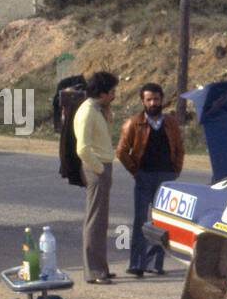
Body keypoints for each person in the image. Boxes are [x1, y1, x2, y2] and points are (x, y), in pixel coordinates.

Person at [116, 83, 185, 277]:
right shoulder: (134, 123)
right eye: (149, 100)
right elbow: (121, 151)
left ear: (162, 100)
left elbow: (180, 149)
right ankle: (137, 264)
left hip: (166, 177)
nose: (153, 103)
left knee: (161, 221)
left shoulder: (170, 123)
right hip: (144, 176)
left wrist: (175, 171)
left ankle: (155, 263)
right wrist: (135, 171)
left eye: (156, 99)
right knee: (141, 219)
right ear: (143, 102)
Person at [74, 71, 119, 285]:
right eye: (112, 92)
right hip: (96, 167)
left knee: (101, 221)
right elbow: (82, 148)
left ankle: (101, 267)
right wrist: (100, 169)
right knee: (95, 220)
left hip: (102, 165)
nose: (114, 95)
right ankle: (94, 270)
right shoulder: (87, 112)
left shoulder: (98, 109)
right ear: (102, 93)